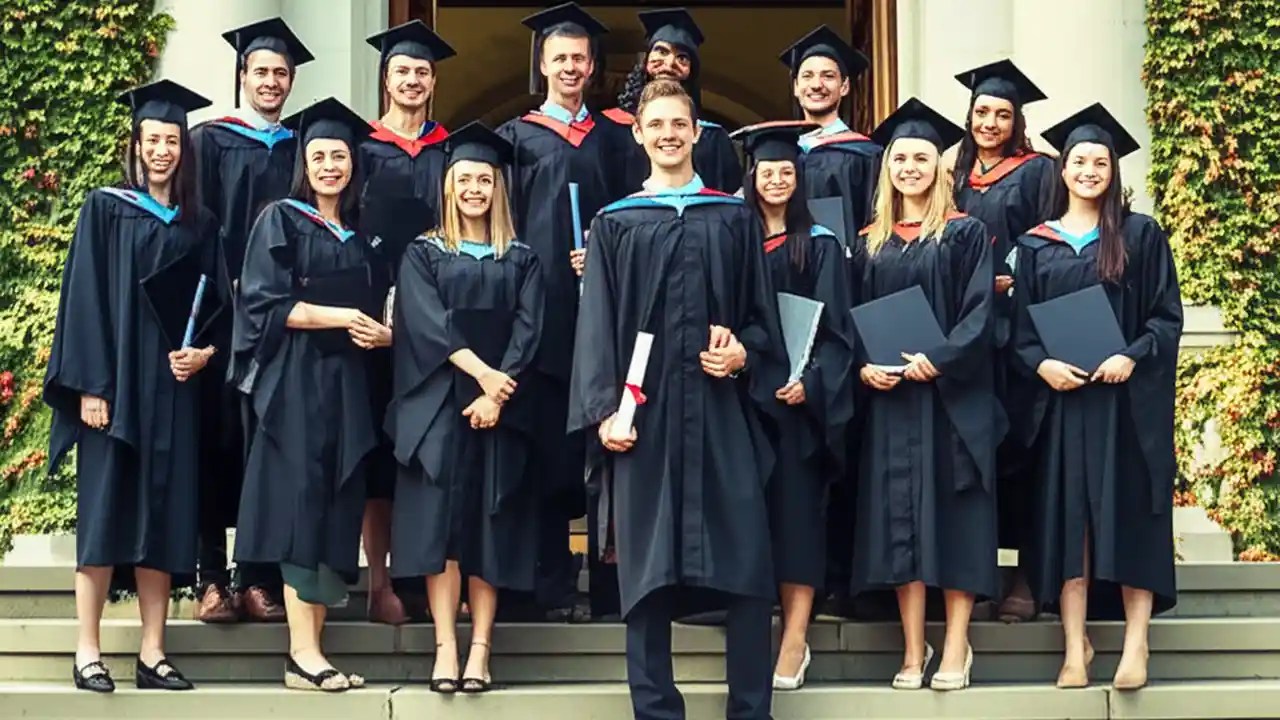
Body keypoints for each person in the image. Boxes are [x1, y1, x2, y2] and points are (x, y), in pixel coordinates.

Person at [569, 79, 788, 720]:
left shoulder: (733, 217)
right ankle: (657, 709)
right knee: (645, 570)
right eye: (655, 124)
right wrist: (603, 411)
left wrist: (744, 354)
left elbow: (760, 319)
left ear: (696, 134)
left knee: (747, 563)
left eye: (679, 124)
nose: (668, 134)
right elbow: (597, 326)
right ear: (639, 134)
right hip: (646, 413)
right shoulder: (616, 223)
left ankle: (752, 708)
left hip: (722, 414)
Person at [45, 80, 218, 693]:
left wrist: (202, 355)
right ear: (137, 145)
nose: (163, 150)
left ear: (183, 149)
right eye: (153, 140)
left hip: (171, 393)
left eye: (173, 140)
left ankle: (153, 653)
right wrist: (89, 387)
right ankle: (87, 651)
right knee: (104, 514)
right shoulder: (105, 208)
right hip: (114, 392)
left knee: (165, 518)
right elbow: (84, 300)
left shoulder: (200, 225)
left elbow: (218, 306)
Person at [1013, 104, 1182, 691]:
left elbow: (1165, 317)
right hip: (1065, 405)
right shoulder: (1036, 245)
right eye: (1079, 160)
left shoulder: (1141, 234)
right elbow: (1020, 333)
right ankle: (1074, 647)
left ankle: (1136, 645)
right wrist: (1043, 365)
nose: (1089, 170)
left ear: (1113, 171)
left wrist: (1129, 356)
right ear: (1062, 170)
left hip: (1125, 407)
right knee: (1070, 522)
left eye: (1100, 161)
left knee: (1130, 515)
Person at [230, 98, 390, 692]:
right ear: (304, 162)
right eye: (319, 156)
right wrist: (343, 314)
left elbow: (379, 306)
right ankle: (302, 651)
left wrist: (380, 330)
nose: (329, 166)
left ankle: (314, 650)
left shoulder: (359, 236)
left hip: (346, 382)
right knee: (302, 508)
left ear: (353, 165)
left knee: (335, 504)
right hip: (296, 381)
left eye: (339, 156)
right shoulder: (281, 219)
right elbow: (265, 306)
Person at [851, 98, 1002, 691]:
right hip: (891, 402)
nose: (909, 167)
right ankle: (913, 651)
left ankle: (957, 646)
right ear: (887, 168)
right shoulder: (869, 242)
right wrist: (864, 367)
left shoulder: (964, 234)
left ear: (939, 167)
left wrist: (937, 361)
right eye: (900, 158)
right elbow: (851, 320)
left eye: (921, 157)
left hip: (949, 402)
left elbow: (980, 314)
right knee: (900, 525)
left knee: (955, 520)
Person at [388, 122, 544, 694]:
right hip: (439, 408)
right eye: (465, 180)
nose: (475, 188)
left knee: (489, 527)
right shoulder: (424, 253)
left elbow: (531, 330)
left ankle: (480, 648)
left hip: (500, 409)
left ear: (497, 188)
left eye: (485, 179)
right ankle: (445, 649)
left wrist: (496, 393)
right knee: (442, 532)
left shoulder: (522, 258)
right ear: (448, 187)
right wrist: (483, 376)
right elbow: (425, 324)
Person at [497, 1, 622, 622]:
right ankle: (545, 589)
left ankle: (607, 593)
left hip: (599, 318)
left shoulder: (616, 139)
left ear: (592, 67)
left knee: (603, 452)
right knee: (546, 454)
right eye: (560, 58)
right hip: (541, 316)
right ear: (542, 64)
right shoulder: (515, 140)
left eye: (580, 58)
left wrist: (602, 255)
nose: (571, 67)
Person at [190, 17, 314, 624]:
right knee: (215, 439)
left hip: (280, 322)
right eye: (261, 71)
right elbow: (193, 224)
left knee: (269, 445)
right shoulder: (209, 140)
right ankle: (211, 576)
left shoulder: (300, 147)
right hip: (218, 315)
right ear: (242, 77)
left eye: (281, 73)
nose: (271, 81)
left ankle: (260, 577)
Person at [732, 123, 856, 690]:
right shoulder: (735, 242)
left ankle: (796, 637)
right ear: (751, 178)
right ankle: (756, 625)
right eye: (767, 171)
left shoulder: (823, 245)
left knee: (798, 521)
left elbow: (838, 330)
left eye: (786, 171)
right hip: (744, 402)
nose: (777, 179)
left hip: (799, 407)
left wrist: (812, 383)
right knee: (752, 522)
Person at [357, 19, 457, 626]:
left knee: (426, 448)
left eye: (422, 71)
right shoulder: (362, 149)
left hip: (435, 322)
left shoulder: (449, 152)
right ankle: (379, 582)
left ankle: (424, 573)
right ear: (386, 78)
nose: (413, 80)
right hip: (371, 321)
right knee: (378, 450)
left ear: (433, 80)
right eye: (402, 71)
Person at [778, 27, 881, 616]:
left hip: (851, 310)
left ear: (844, 86)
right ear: (795, 87)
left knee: (846, 438)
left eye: (827, 76)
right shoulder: (780, 156)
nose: (817, 84)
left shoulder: (865, 155)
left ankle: (845, 577)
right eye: (807, 76)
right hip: (791, 314)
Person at [951, 60, 1055, 623]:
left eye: (1001, 114)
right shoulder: (954, 173)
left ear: (1017, 121)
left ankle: (1024, 575)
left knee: (1020, 448)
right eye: (982, 112)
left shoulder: (1039, 171)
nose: (990, 122)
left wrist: (1015, 276)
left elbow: (1048, 240)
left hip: (1015, 327)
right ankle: (977, 570)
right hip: (969, 330)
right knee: (974, 449)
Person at [604, 8, 742, 194]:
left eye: (682, 58)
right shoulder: (610, 129)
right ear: (645, 60)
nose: (669, 64)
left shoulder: (712, 138)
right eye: (661, 51)